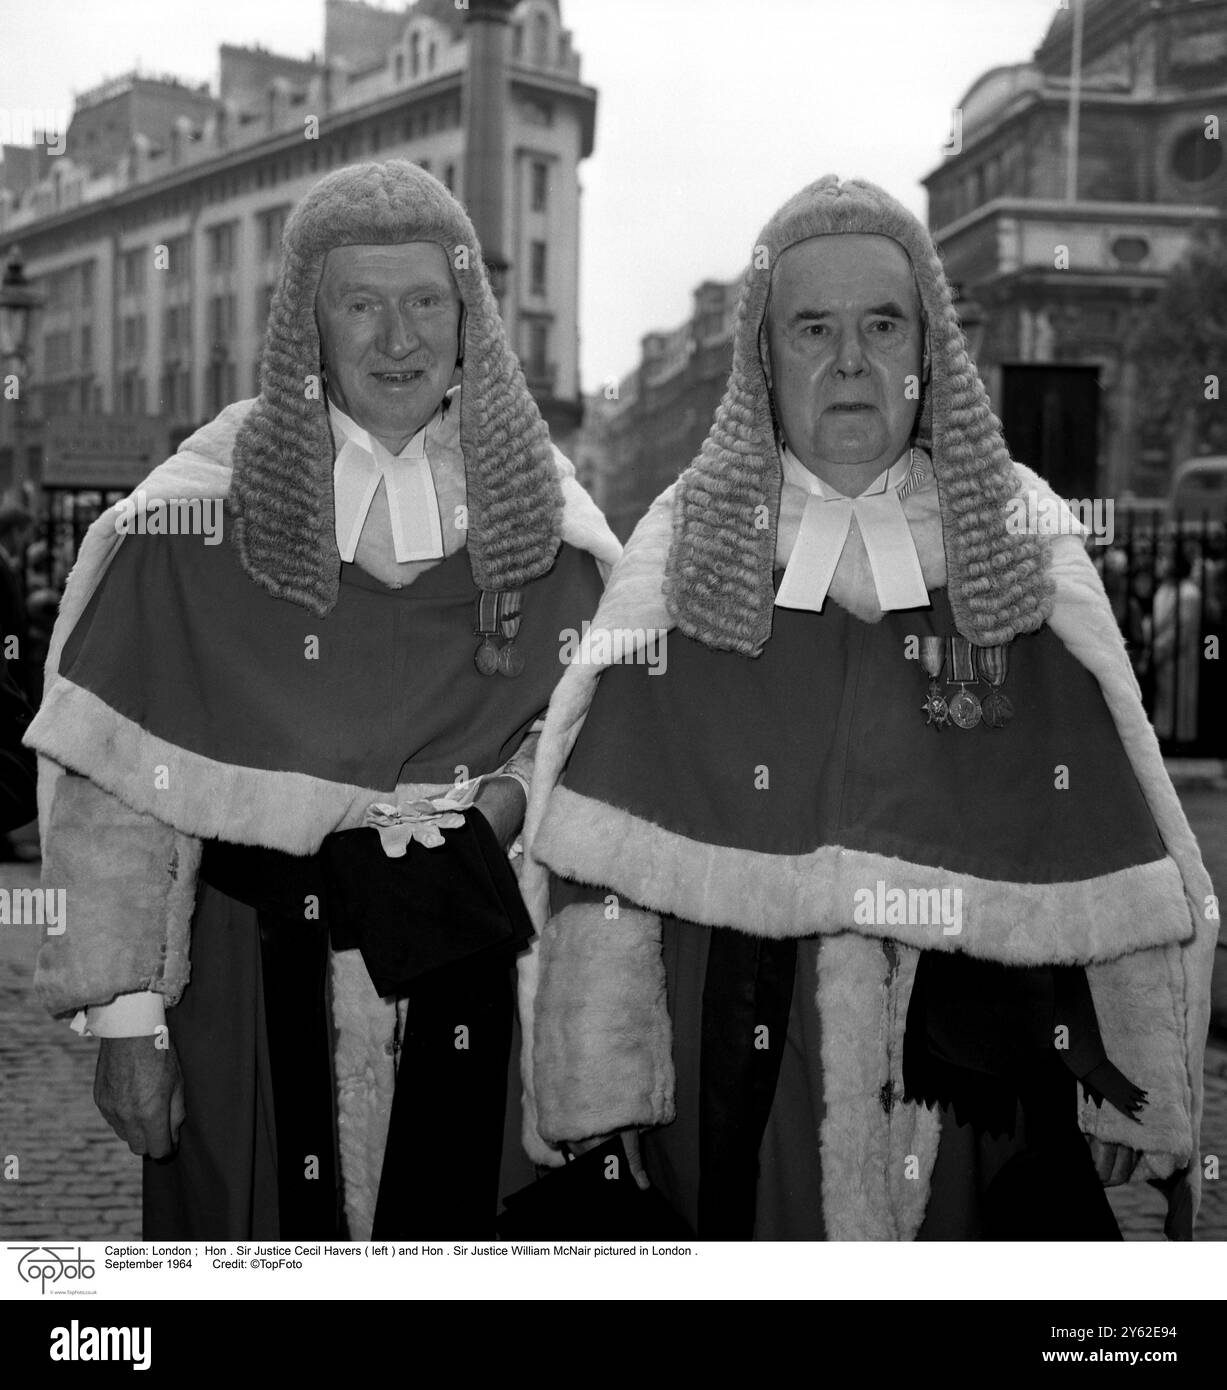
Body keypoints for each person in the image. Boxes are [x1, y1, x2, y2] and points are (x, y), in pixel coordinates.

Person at [521, 176, 1215, 1240]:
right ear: (765, 357)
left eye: (882, 324)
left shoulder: (1017, 538)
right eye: (813, 328)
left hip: (977, 1068)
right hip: (736, 1047)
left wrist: (1136, 1073)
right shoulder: (687, 546)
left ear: (927, 350)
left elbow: (1111, 848)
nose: (851, 360)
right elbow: (605, 866)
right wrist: (599, 1084)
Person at [27, 160, 620, 1240]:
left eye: (425, 302)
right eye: (362, 303)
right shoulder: (196, 514)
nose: (399, 340)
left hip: (474, 977)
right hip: (247, 989)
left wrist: (506, 802)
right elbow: (115, 790)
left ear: (466, 318)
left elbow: (590, 737)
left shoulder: (546, 514)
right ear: (312, 321)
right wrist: (127, 1021)